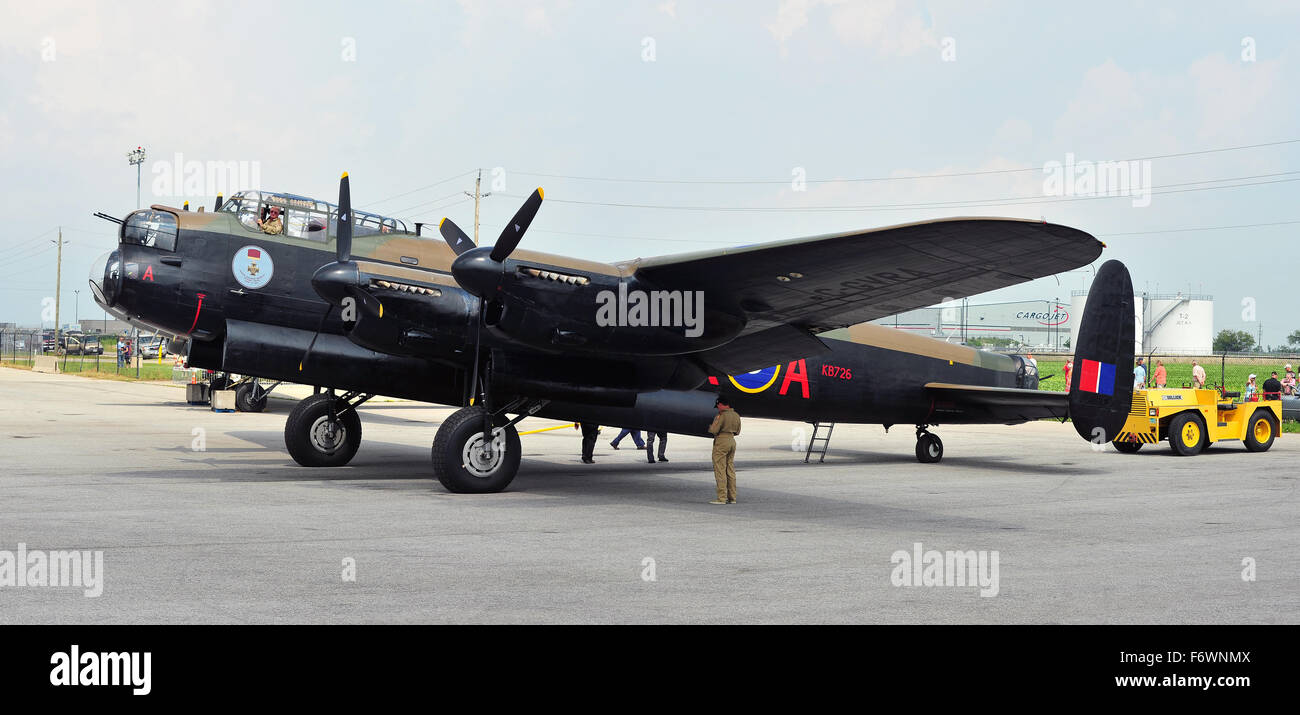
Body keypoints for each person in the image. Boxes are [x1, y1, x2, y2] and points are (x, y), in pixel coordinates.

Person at [707, 397, 741, 505]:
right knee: (730, 470)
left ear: (721, 404)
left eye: (718, 406)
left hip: (722, 442)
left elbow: (714, 430)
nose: (718, 408)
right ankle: (732, 497)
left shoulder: (721, 416)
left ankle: (721, 498)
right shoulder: (736, 415)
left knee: (720, 469)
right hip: (732, 441)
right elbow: (738, 431)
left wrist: (712, 425)